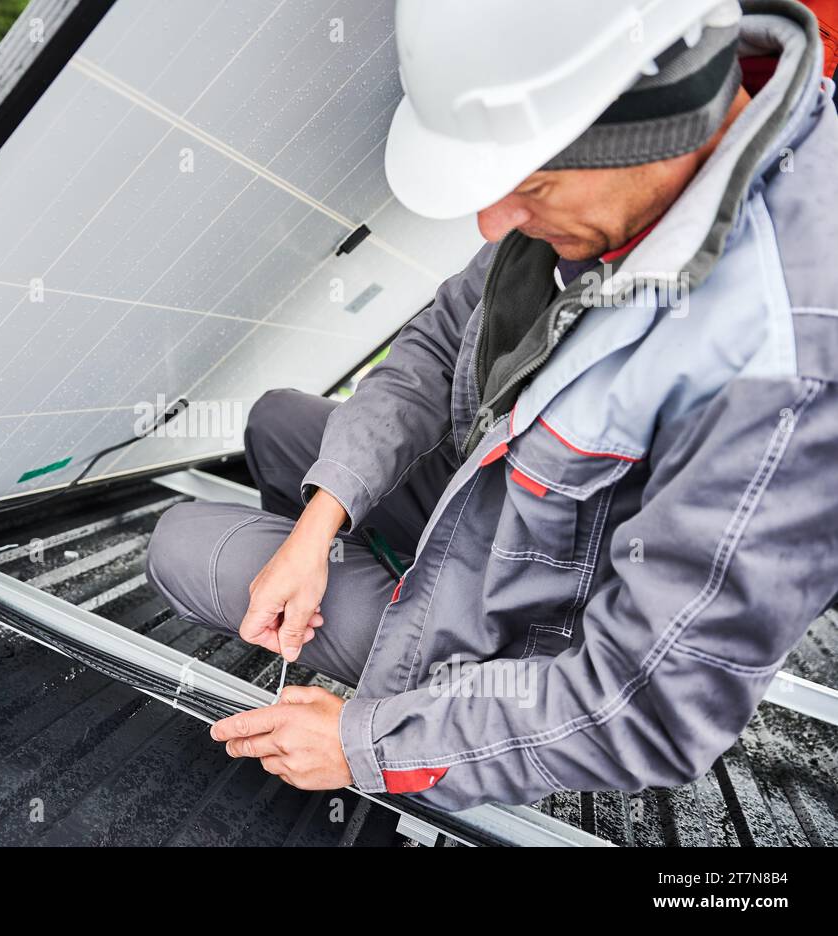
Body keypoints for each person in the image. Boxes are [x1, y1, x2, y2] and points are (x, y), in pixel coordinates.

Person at [145, 0, 838, 809]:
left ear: (656, 132)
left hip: (526, 657)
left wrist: (366, 743)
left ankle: (409, 687)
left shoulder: (788, 363)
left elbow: (650, 706)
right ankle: (366, 592)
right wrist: (316, 528)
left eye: (529, 187)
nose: (493, 220)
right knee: (276, 425)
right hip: (489, 515)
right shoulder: (603, 185)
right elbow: (439, 343)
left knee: (181, 543)